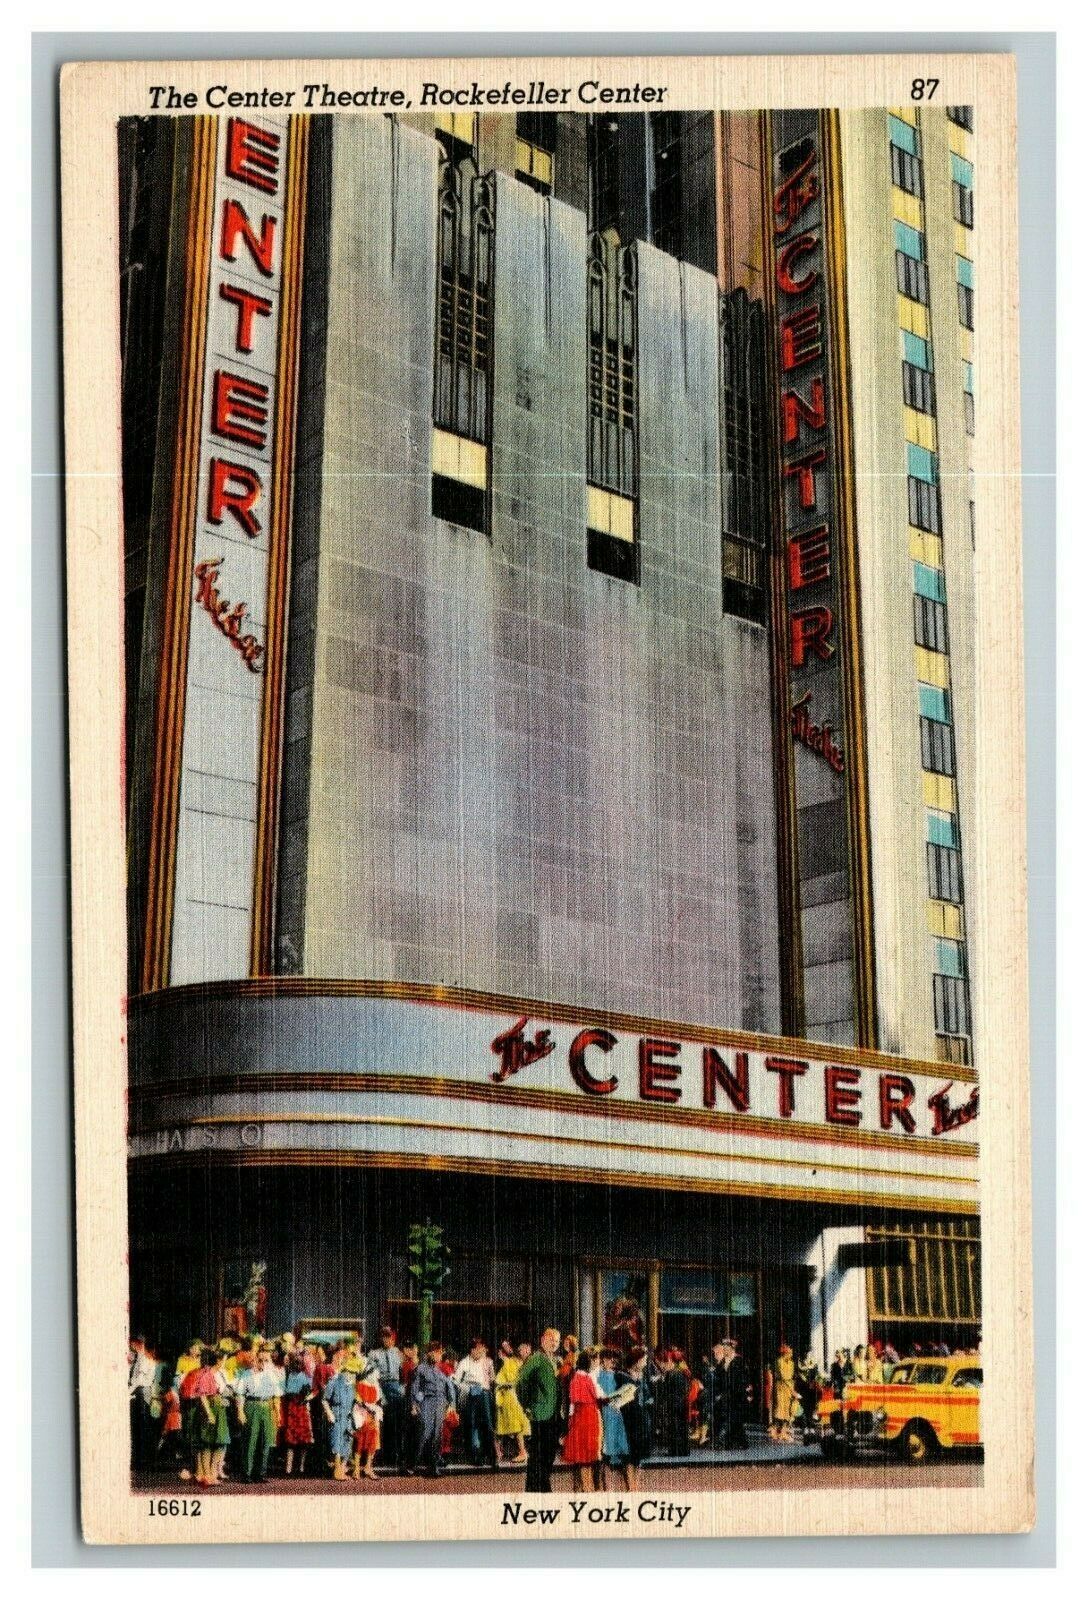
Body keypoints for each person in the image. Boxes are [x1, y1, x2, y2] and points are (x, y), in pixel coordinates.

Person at [516, 1327, 562, 1492]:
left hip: (554, 1414)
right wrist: (527, 1405)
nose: (554, 1344)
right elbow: (521, 1381)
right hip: (540, 1413)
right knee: (538, 1455)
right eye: (551, 1340)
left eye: (557, 1341)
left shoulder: (555, 1360)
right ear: (543, 1339)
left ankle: (543, 1486)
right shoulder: (536, 1357)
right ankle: (537, 1489)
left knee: (549, 1454)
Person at [234, 1343, 284, 1483]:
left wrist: (277, 1414)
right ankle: (247, 1473)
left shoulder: (271, 1375)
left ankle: (260, 1473)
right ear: (255, 1360)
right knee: (250, 1440)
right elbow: (240, 1394)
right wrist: (240, 1412)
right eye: (260, 1360)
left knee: (265, 1441)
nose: (263, 1363)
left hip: (266, 1407)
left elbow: (276, 1396)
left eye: (266, 1360)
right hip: (252, 1406)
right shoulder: (246, 1374)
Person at [410, 1342, 458, 1478]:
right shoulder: (420, 1369)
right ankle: (412, 1463)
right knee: (424, 1432)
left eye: (439, 1353)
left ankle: (434, 1466)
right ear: (428, 1353)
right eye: (435, 1352)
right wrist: (415, 1404)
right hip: (427, 1401)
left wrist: (452, 1405)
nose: (438, 1355)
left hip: (440, 1403)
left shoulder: (441, 1371)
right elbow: (416, 1388)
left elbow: (450, 1388)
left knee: (437, 1436)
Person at [562, 1349, 604, 1492]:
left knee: (585, 1458)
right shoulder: (583, 1378)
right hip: (586, 1420)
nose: (597, 1362)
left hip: (585, 1419)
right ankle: (587, 1489)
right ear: (589, 1361)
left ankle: (586, 1488)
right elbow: (577, 1402)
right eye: (595, 1360)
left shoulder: (580, 1377)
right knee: (586, 1457)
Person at [454, 1338, 498, 1469]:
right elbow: (456, 1380)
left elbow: (492, 1379)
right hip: (471, 1394)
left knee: (488, 1425)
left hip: (484, 1393)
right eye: (478, 1349)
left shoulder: (486, 1362)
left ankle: (491, 1457)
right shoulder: (464, 1362)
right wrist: (467, 1388)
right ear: (472, 1350)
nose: (481, 1351)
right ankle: (475, 1456)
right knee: (473, 1425)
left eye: (482, 1349)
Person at [368, 1326, 407, 1474]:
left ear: (393, 1338)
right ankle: (381, 1455)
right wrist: (380, 1395)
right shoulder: (374, 1354)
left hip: (396, 1388)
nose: (387, 1340)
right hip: (381, 1386)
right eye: (384, 1337)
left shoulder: (398, 1353)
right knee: (382, 1424)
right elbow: (372, 1376)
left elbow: (402, 1374)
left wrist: (402, 1389)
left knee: (397, 1423)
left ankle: (395, 1455)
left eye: (389, 1337)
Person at [191, 1346, 230, 1488]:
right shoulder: (207, 1374)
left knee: (220, 1441)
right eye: (224, 1360)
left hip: (219, 1407)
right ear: (218, 1361)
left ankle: (211, 1473)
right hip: (211, 1408)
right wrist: (209, 1413)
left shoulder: (219, 1373)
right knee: (208, 1441)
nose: (225, 1363)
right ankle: (207, 1475)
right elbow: (203, 1395)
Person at [616, 1346, 653, 1489]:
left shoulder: (643, 1375)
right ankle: (630, 1486)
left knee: (639, 1455)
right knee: (629, 1455)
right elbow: (621, 1400)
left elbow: (648, 1395)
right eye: (643, 1359)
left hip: (642, 1419)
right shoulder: (623, 1376)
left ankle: (635, 1485)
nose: (645, 1362)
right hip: (629, 1419)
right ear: (636, 1360)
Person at [597, 1347, 632, 1489]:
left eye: (613, 1358)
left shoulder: (619, 1375)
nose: (612, 1361)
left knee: (620, 1452)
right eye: (608, 1358)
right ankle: (605, 1487)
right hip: (604, 1414)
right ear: (602, 1360)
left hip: (616, 1414)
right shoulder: (598, 1375)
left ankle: (626, 1486)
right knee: (605, 1452)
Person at [322, 1352, 358, 1482]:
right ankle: (337, 1471)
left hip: (348, 1416)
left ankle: (342, 1469)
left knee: (347, 1442)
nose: (351, 1374)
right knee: (336, 1441)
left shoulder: (352, 1386)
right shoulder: (334, 1381)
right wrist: (329, 1413)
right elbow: (324, 1399)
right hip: (337, 1414)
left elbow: (354, 1402)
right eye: (349, 1371)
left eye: (353, 1372)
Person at [494, 1340, 531, 1464]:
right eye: (522, 1350)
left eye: (526, 1350)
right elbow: (500, 1380)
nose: (524, 1352)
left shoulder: (527, 1364)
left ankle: (522, 1452)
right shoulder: (510, 1362)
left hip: (519, 1397)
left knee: (517, 1426)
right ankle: (501, 1452)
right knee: (510, 1426)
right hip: (510, 1397)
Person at [128, 1335, 159, 1472]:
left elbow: (139, 1379)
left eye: (133, 1344)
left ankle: (143, 1459)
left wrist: (128, 1391)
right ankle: (141, 1458)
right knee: (140, 1426)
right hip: (140, 1391)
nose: (131, 1347)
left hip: (141, 1392)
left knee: (141, 1426)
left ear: (139, 1344)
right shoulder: (138, 1358)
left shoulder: (144, 1359)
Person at [282, 1352, 315, 1478]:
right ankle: (288, 1468)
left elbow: (311, 1391)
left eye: (299, 1362)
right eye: (295, 1362)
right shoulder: (290, 1375)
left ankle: (301, 1467)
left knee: (303, 1439)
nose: (297, 1364)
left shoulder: (305, 1376)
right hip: (292, 1407)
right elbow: (288, 1392)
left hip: (301, 1407)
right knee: (290, 1440)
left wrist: (306, 1397)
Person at [351, 1358, 384, 1480]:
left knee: (373, 1442)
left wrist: (376, 1410)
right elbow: (359, 1401)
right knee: (360, 1441)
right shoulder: (359, 1384)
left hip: (373, 1416)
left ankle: (368, 1466)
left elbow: (378, 1400)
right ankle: (356, 1469)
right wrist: (370, 1410)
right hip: (362, 1415)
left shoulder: (375, 1385)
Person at [656, 1349, 689, 1458]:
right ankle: (683, 1450)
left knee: (674, 1428)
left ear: (671, 1362)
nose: (665, 1364)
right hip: (682, 1404)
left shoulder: (672, 1374)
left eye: (667, 1362)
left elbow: (666, 1391)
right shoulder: (682, 1372)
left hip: (673, 1404)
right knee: (681, 1427)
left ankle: (675, 1450)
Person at [701, 1342, 732, 1449]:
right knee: (715, 1419)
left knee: (721, 1419)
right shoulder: (719, 1364)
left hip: (720, 1396)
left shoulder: (723, 1365)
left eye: (716, 1353)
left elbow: (721, 1381)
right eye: (714, 1353)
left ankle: (720, 1441)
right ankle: (716, 1440)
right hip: (715, 1396)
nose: (714, 1355)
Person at [724, 1340, 750, 1449]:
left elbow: (743, 1378)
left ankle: (732, 1442)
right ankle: (739, 1442)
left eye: (726, 1348)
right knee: (734, 1419)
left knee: (735, 1419)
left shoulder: (739, 1361)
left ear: (732, 1349)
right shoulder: (724, 1361)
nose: (724, 1350)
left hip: (737, 1395)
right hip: (728, 1394)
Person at [769, 1343, 796, 1442]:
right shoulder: (779, 1361)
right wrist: (791, 1388)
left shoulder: (792, 1363)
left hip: (789, 1387)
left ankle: (784, 1432)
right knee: (779, 1410)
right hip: (781, 1387)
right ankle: (775, 1432)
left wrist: (792, 1388)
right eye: (789, 1352)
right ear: (785, 1353)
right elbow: (782, 1376)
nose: (791, 1354)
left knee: (788, 1410)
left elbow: (791, 1375)